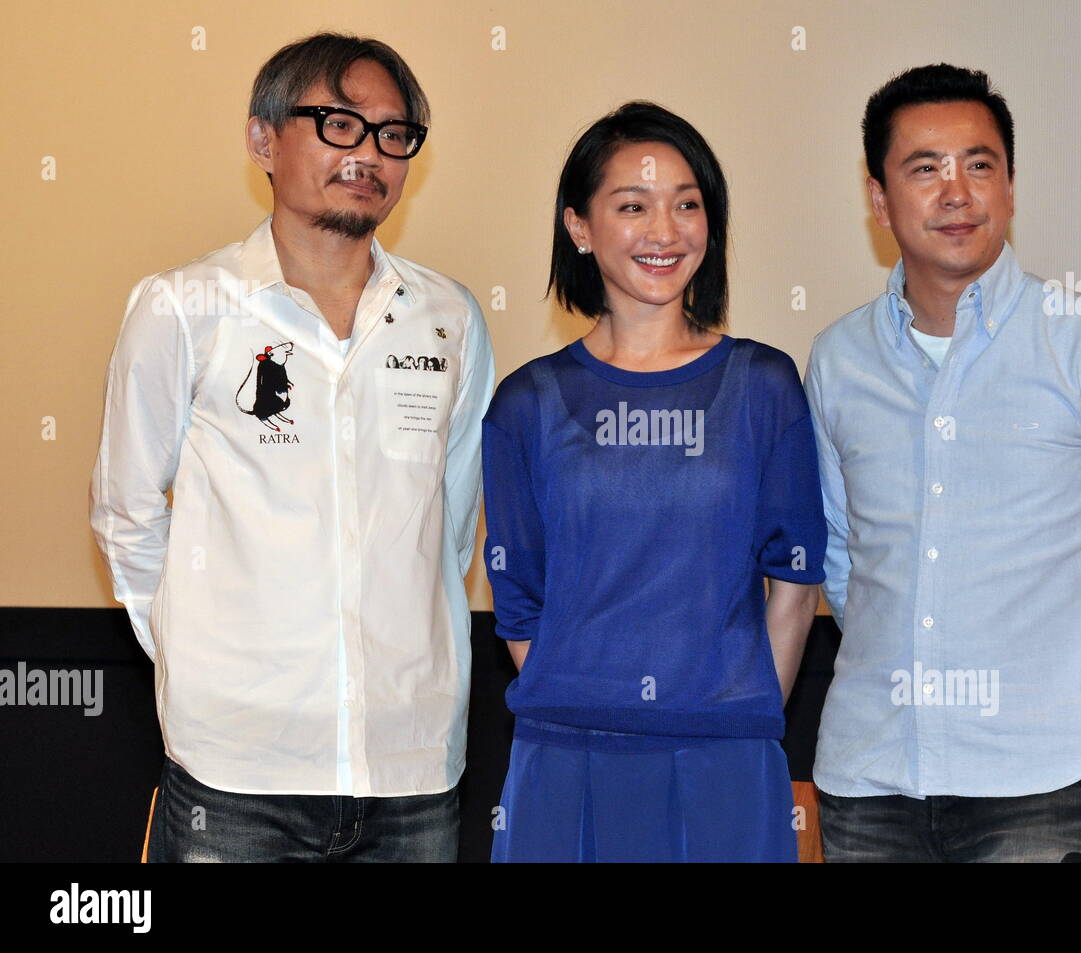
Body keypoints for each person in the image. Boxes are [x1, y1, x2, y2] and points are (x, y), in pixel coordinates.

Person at [89, 32, 494, 862]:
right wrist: (201, 665)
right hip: (236, 771)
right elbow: (126, 514)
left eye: (393, 133)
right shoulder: (183, 307)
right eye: (339, 124)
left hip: (409, 767)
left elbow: (449, 528)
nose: (369, 153)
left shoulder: (448, 318)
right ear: (263, 139)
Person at [807, 64, 1081, 862]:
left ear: (1010, 186)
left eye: (979, 164)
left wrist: (1067, 715)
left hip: (1040, 791)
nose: (957, 191)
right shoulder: (838, 358)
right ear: (879, 201)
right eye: (925, 168)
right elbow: (847, 564)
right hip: (868, 782)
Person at [482, 101, 825, 862]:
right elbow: (520, 605)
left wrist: (730, 710)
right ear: (579, 226)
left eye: (687, 204)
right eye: (633, 205)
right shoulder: (525, 404)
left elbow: (794, 584)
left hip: (726, 760)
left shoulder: (764, 385)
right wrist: (586, 706)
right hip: (564, 761)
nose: (665, 231)